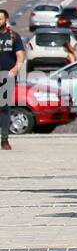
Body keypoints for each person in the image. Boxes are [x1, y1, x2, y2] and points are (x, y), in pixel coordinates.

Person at [0, 9, 27, 151]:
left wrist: (15, 69)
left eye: (0, 19)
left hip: (7, 77)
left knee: (4, 107)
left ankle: (4, 139)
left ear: (6, 20)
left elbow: (20, 56)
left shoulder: (13, 37)